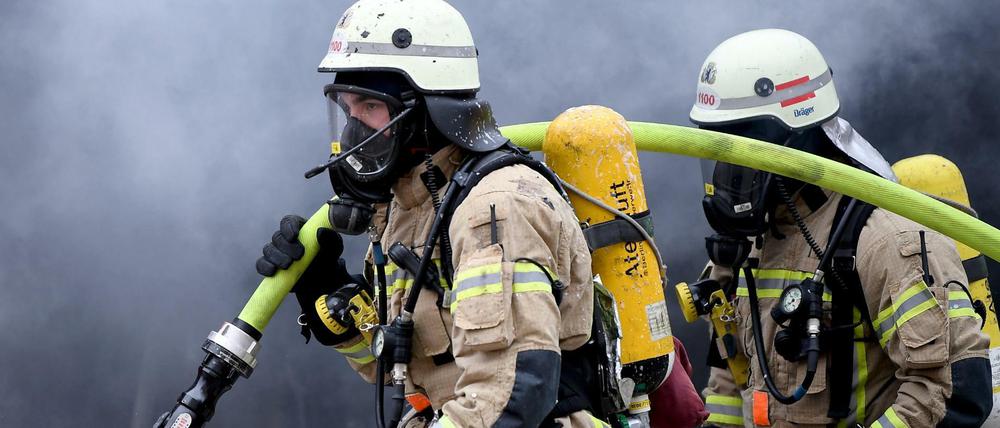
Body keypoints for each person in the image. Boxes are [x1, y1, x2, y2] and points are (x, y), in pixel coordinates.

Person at [254, 0, 604, 426]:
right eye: (347, 109)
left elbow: (510, 396)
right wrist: (324, 294)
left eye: (369, 107)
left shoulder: (494, 210)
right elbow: (404, 365)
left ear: (426, 108)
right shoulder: (409, 206)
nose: (353, 130)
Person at [688, 29, 991, 427]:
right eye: (717, 150)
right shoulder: (749, 248)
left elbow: (950, 390)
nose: (727, 170)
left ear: (797, 139)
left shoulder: (884, 241)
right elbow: (730, 382)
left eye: (741, 145)